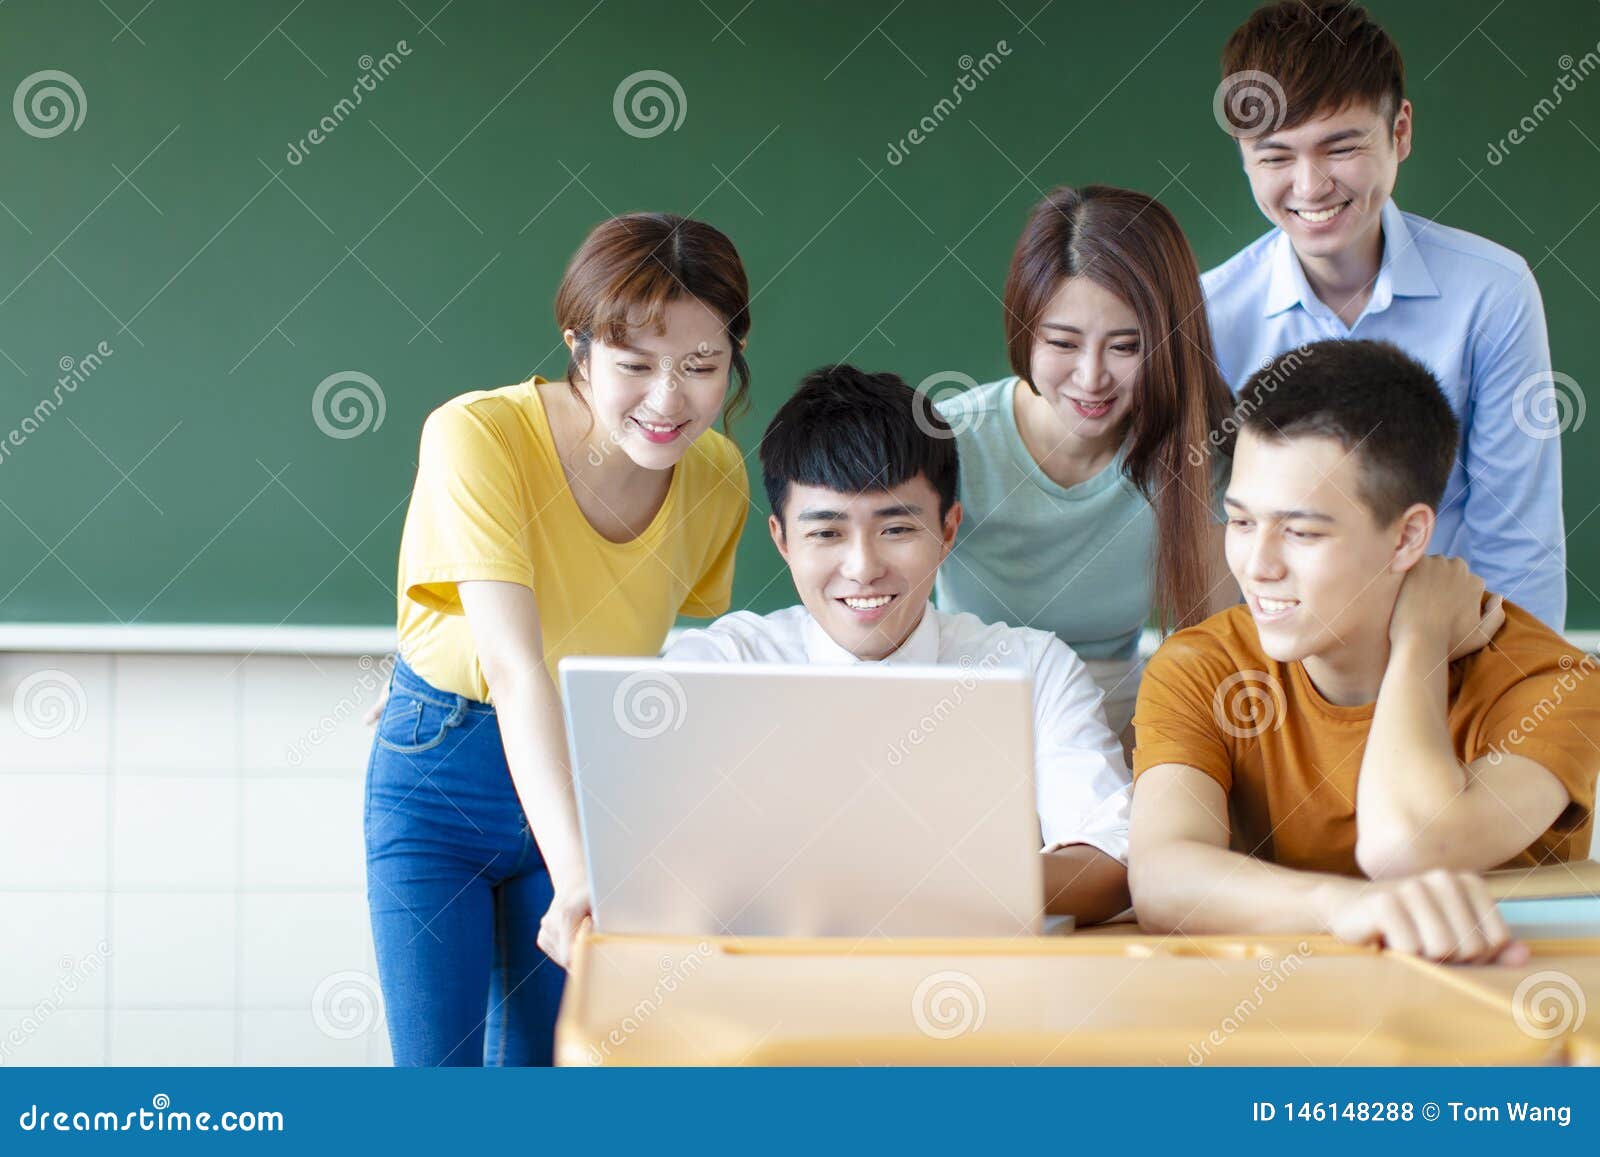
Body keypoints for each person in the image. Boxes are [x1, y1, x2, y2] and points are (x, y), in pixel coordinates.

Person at [365, 212, 753, 1064]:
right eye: (634, 364)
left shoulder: (720, 475)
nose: (668, 398)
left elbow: (646, 658)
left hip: (588, 767)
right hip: (445, 772)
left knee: (551, 1068)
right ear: (578, 347)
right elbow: (513, 664)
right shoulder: (477, 435)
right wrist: (581, 867)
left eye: (701, 365)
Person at [1129, 338, 1600, 963]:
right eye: (1241, 522)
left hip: (1496, 1024)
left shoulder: (1550, 680)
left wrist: (1421, 638)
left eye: (1300, 532)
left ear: (1408, 538)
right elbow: (1163, 880)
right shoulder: (1201, 667)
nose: (1258, 565)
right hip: (1281, 1026)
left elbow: (1406, 848)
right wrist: (1343, 907)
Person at [666, 365, 1134, 924]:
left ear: (949, 530)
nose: (863, 568)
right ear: (783, 540)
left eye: (896, 529)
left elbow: (1113, 863)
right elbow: (659, 859)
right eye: (826, 533)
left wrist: (911, 879)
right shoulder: (721, 668)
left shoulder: (1032, 668)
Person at [1203, 0, 1566, 632]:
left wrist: (1521, 706)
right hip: (1279, 676)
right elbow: (1210, 541)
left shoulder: (1493, 292)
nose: (1311, 187)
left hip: (1457, 655)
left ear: (1399, 131)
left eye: (1340, 147)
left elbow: (1518, 541)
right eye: (1275, 156)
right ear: (1242, 153)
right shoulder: (1207, 314)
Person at [934, 185, 1237, 752]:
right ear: (1025, 330)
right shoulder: (948, 441)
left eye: (1126, 347)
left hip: (1123, 717)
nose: (1092, 378)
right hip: (968, 710)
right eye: (1063, 342)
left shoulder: (1198, 456)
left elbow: (1218, 650)